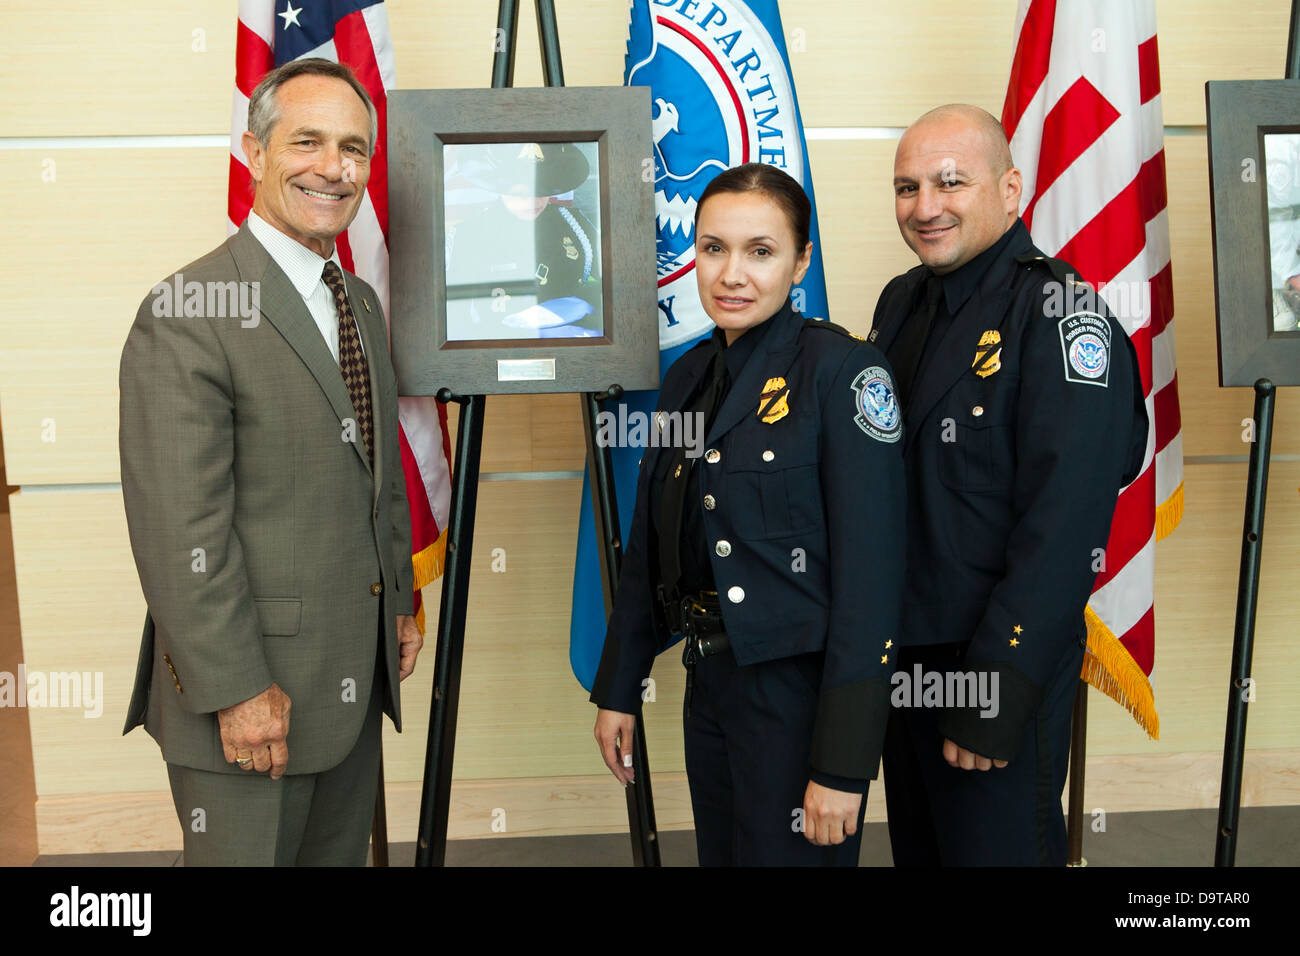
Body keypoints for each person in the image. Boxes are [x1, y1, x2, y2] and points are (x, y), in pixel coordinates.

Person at [118, 58, 423, 866]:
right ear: (254, 152)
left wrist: (398, 598)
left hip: (351, 682)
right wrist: (239, 691)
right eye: (309, 142)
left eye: (354, 148)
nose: (334, 167)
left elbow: (374, 469)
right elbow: (180, 533)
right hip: (250, 701)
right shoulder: (188, 312)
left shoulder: (354, 299)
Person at [590, 163, 907, 866]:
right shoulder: (687, 378)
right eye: (712, 249)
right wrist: (619, 688)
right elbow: (651, 548)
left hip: (797, 698)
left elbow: (872, 584)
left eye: (760, 252)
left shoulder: (843, 374)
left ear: (801, 261)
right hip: (711, 682)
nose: (731, 274)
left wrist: (842, 765)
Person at [870, 104, 1148, 866]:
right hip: (907, 661)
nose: (925, 207)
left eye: (951, 182)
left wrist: (996, 685)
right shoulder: (901, 305)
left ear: (1012, 187)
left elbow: (1064, 528)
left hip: (990, 662)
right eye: (907, 187)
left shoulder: (1061, 316)